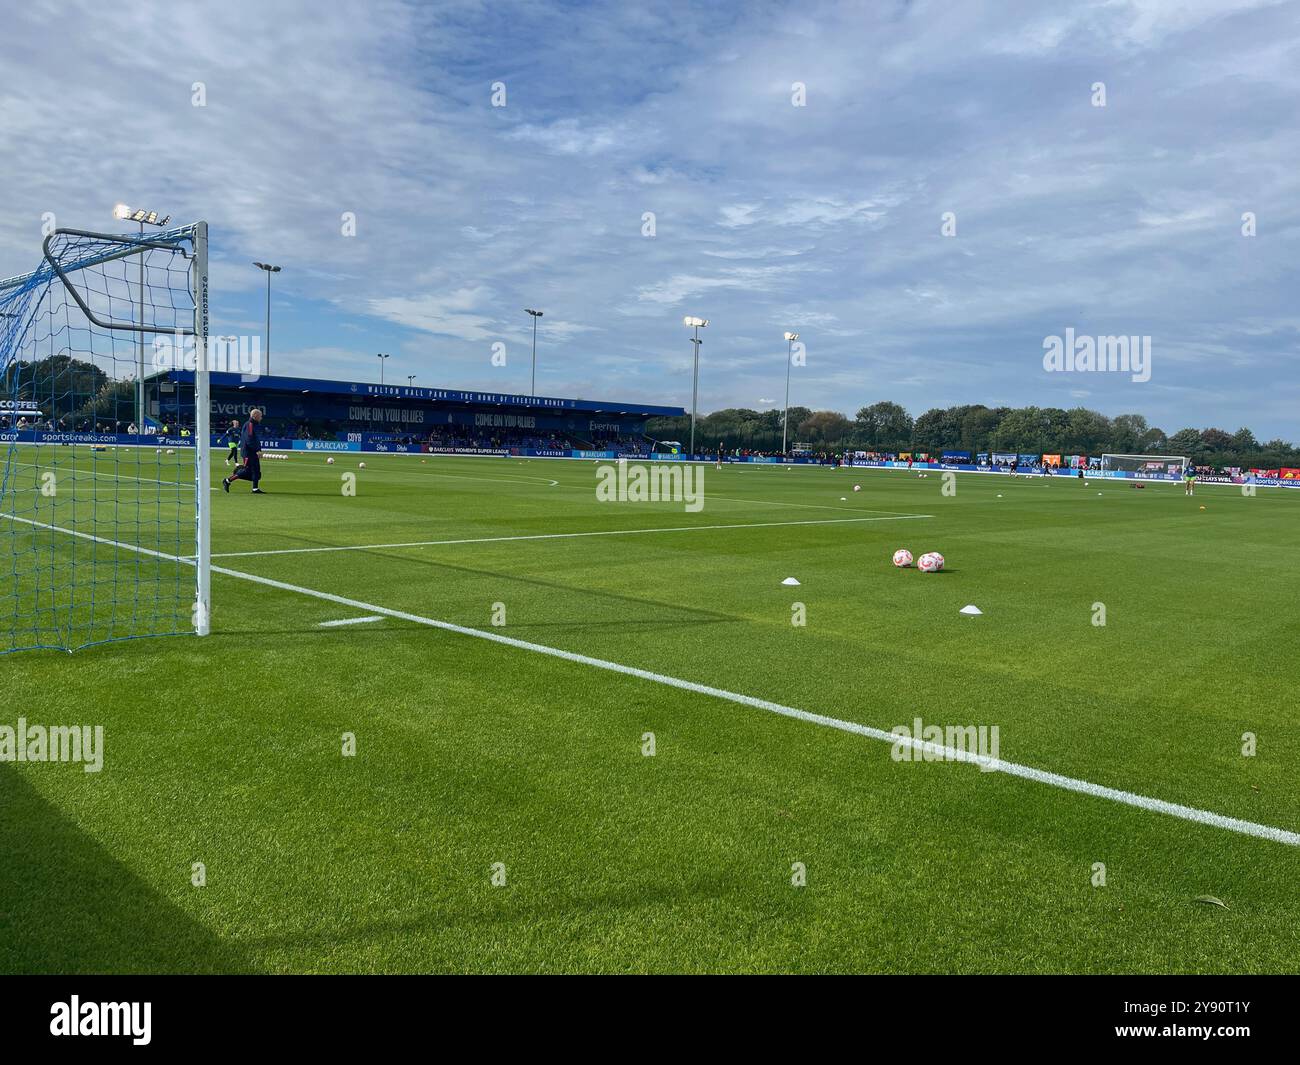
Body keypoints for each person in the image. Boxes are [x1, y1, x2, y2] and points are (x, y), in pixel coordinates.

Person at [223, 408, 265, 494]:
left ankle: (255, 489)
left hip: (252, 451)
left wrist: (259, 449)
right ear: (255, 416)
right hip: (248, 453)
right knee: (249, 471)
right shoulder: (249, 425)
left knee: (256, 471)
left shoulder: (253, 425)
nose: (261, 418)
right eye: (260, 416)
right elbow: (249, 439)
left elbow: (255, 439)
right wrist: (257, 450)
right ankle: (228, 480)